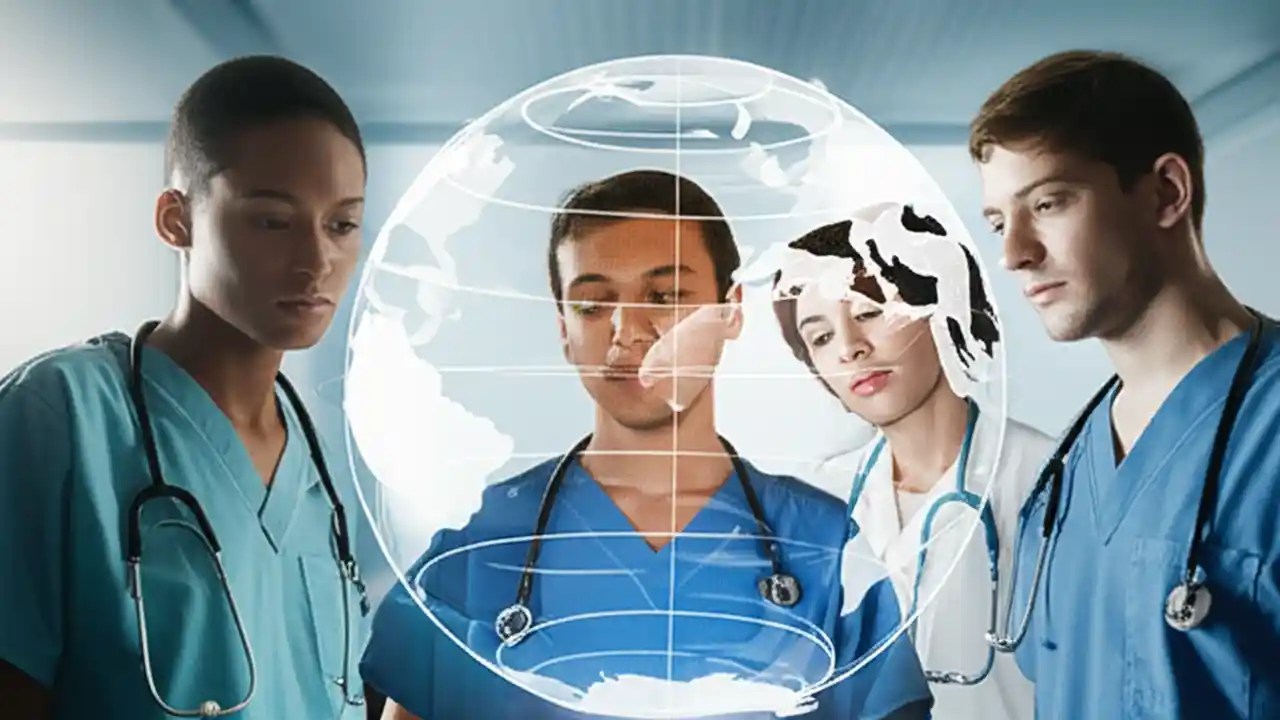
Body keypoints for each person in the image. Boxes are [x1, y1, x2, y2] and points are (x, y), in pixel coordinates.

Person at [360, 170, 934, 719]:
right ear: (563, 328)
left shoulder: (825, 546)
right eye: (592, 304)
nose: (627, 331)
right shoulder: (481, 547)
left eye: (664, 297)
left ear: (731, 311)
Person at [0, 56, 371, 719]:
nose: (318, 261)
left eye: (341, 224)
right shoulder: (60, 417)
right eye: (272, 220)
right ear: (177, 219)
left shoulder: (318, 476)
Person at [972, 49, 1280, 718]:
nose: (1014, 253)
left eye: (1048, 202)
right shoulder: (1061, 482)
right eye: (999, 222)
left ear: (1167, 192)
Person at [770, 201, 1054, 720]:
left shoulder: (1051, 481)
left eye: (869, 312)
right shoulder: (815, 502)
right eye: (821, 336)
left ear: (940, 308)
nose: (850, 348)